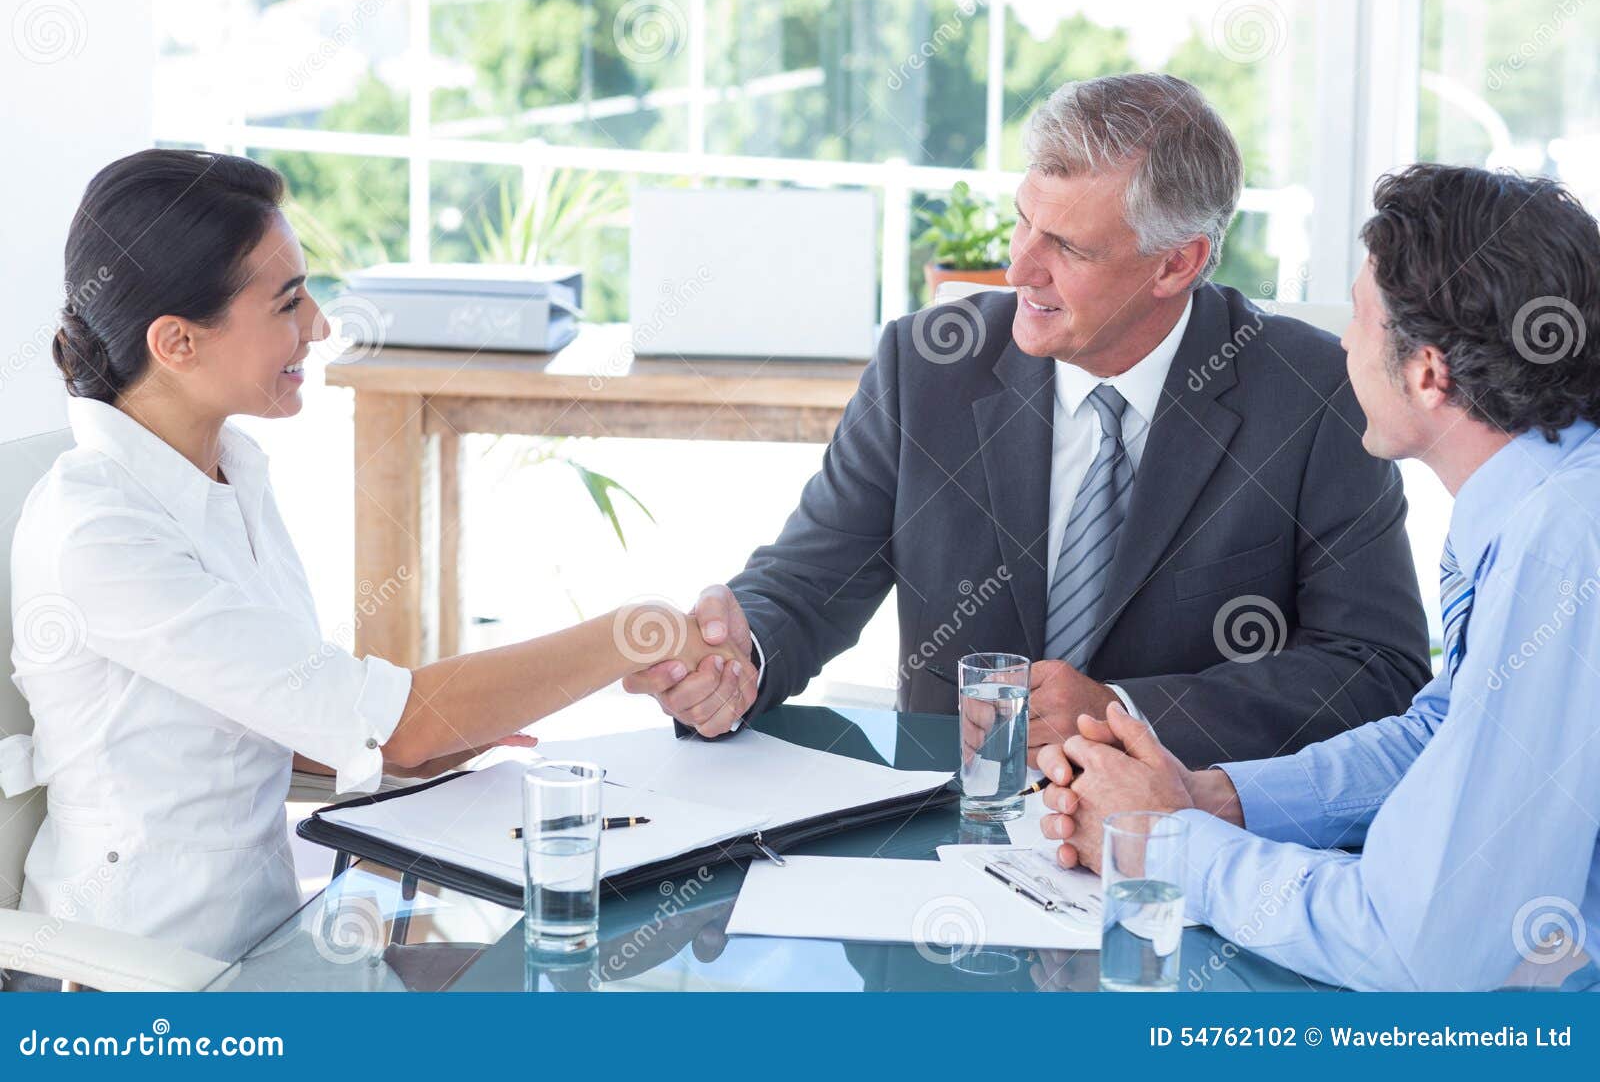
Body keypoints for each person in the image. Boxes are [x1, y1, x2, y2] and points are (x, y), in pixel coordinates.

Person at [2, 149, 736, 971]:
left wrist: (445, 740)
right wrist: (639, 632)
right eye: (287, 303)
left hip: (267, 950)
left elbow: (267, 720)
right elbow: (400, 719)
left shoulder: (231, 468)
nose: (317, 325)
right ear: (176, 341)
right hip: (141, 984)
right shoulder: (99, 532)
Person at [627, 73, 1431, 768]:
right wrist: (739, 656)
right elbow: (806, 586)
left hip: (1180, 840)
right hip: (947, 838)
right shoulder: (926, 367)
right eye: (1022, 221)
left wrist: (1123, 709)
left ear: (1177, 262)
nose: (1019, 269)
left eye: (1068, 248)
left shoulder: (1315, 391)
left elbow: (1376, 666)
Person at [1037, 162, 1600, 990]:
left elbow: (1420, 947)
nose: (1343, 342)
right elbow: (1439, 736)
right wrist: (1209, 797)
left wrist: (1166, 840)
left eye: (1363, 318)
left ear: (1428, 373)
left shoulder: (1562, 550)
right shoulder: (1538, 495)